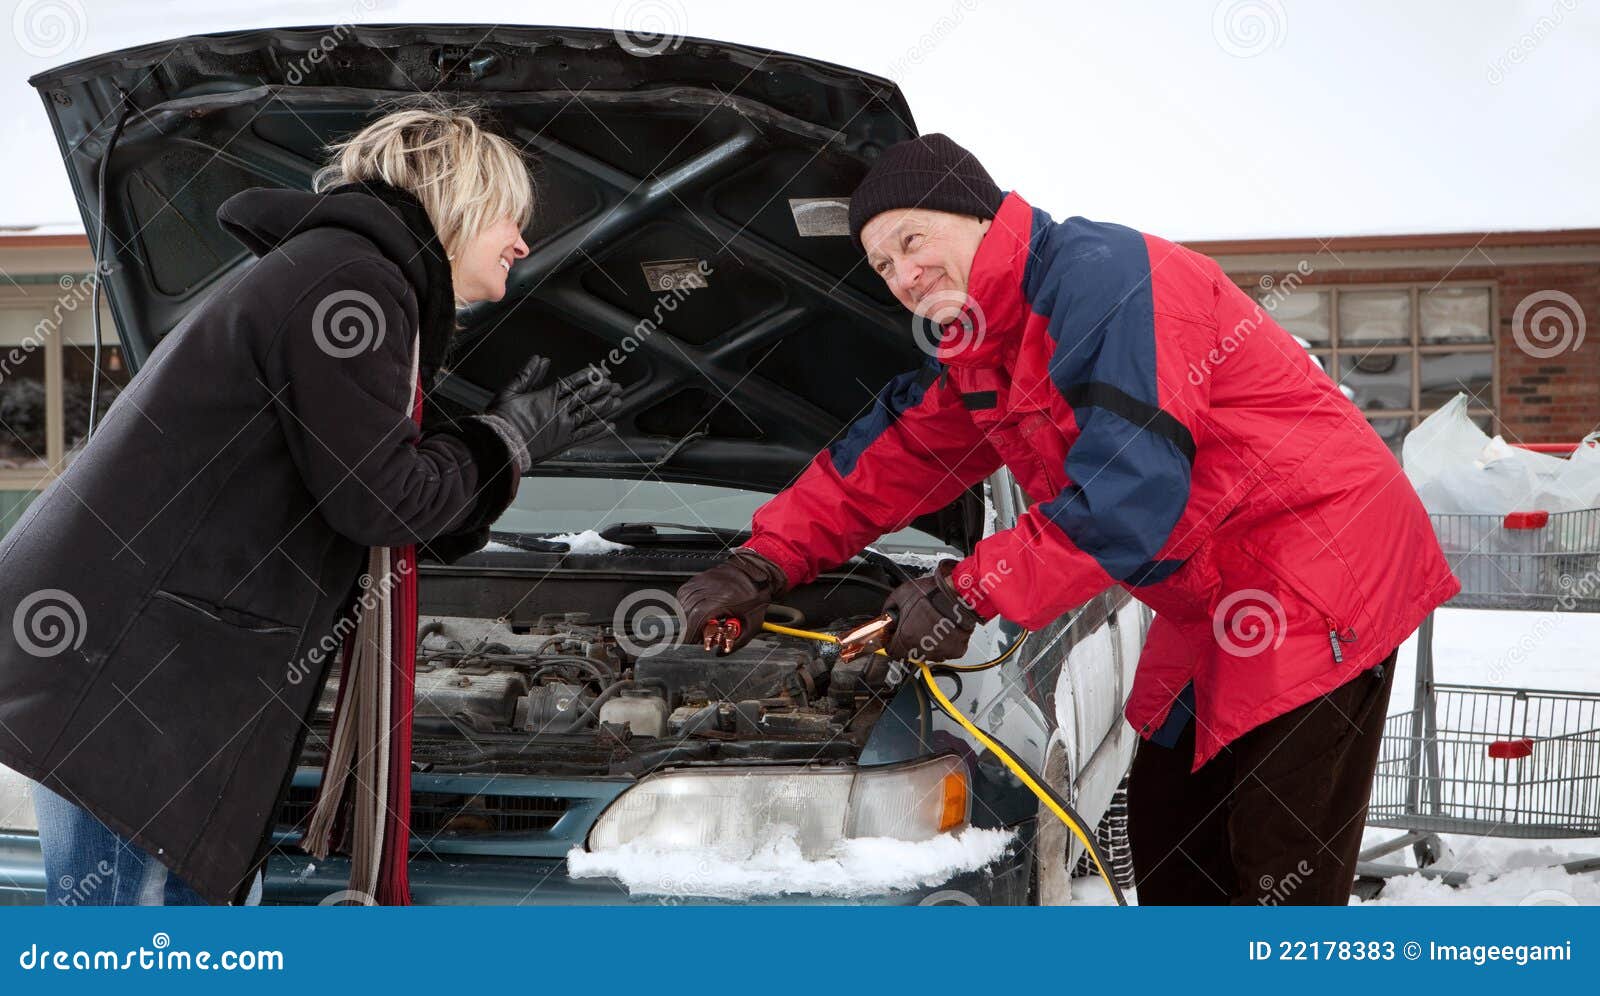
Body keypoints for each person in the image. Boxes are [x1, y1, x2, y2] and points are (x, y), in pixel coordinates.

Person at [677, 133, 1460, 905]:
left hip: (1317, 562)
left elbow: (1128, 494)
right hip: (1209, 587)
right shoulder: (981, 348)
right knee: (1172, 840)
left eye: (913, 240)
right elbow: (891, 456)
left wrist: (967, 591)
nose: (904, 275)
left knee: (1272, 871)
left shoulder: (1108, 282)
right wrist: (762, 562)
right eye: (882, 264)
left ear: (978, 214)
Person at [0, 100, 622, 905]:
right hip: (125, 683)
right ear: (458, 198)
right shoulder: (351, 279)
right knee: (133, 947)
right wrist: (504, 440)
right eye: (511, 216)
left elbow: (362, 496)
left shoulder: (339, 274)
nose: (522, 242)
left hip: (136, 672)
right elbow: (381, 504)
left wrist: (498, 446)